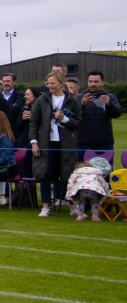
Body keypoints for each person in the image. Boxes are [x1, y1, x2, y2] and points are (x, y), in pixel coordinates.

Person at [29, 71, 80, 216]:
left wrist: (64, 119)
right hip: (46, 143)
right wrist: (34, 142)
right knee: (45, 174)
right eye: (48, 83)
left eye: (53, 83)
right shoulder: (42, 100)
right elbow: (33, 122)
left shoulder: (72, 100)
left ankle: (72, 206)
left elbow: (78, 122)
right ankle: (46, 206)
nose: (50, 86)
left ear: (61, 83)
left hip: (66, 144)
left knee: (68, 175)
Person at [78, 70, 121, 154]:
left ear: (102, 82)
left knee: (105, 167)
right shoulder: (80, 97)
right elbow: (71, 114)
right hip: (83, 142)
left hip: (104, 142)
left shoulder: (110, 96)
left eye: (96, 81)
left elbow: (117, 114)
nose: (93, 84)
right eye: (90, 81)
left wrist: (109, 104)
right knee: (83, 167)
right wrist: (81, 104)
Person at [65, 157, 112, 221]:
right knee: (94, 203)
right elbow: (104, 183)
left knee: (81, 203)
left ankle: (80, 216)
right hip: (94, 190)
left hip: (82, 190)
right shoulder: (96, 174)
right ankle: (95, 216)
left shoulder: (76, 173)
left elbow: (70, 182)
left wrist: (70, 191)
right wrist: (107, 192)